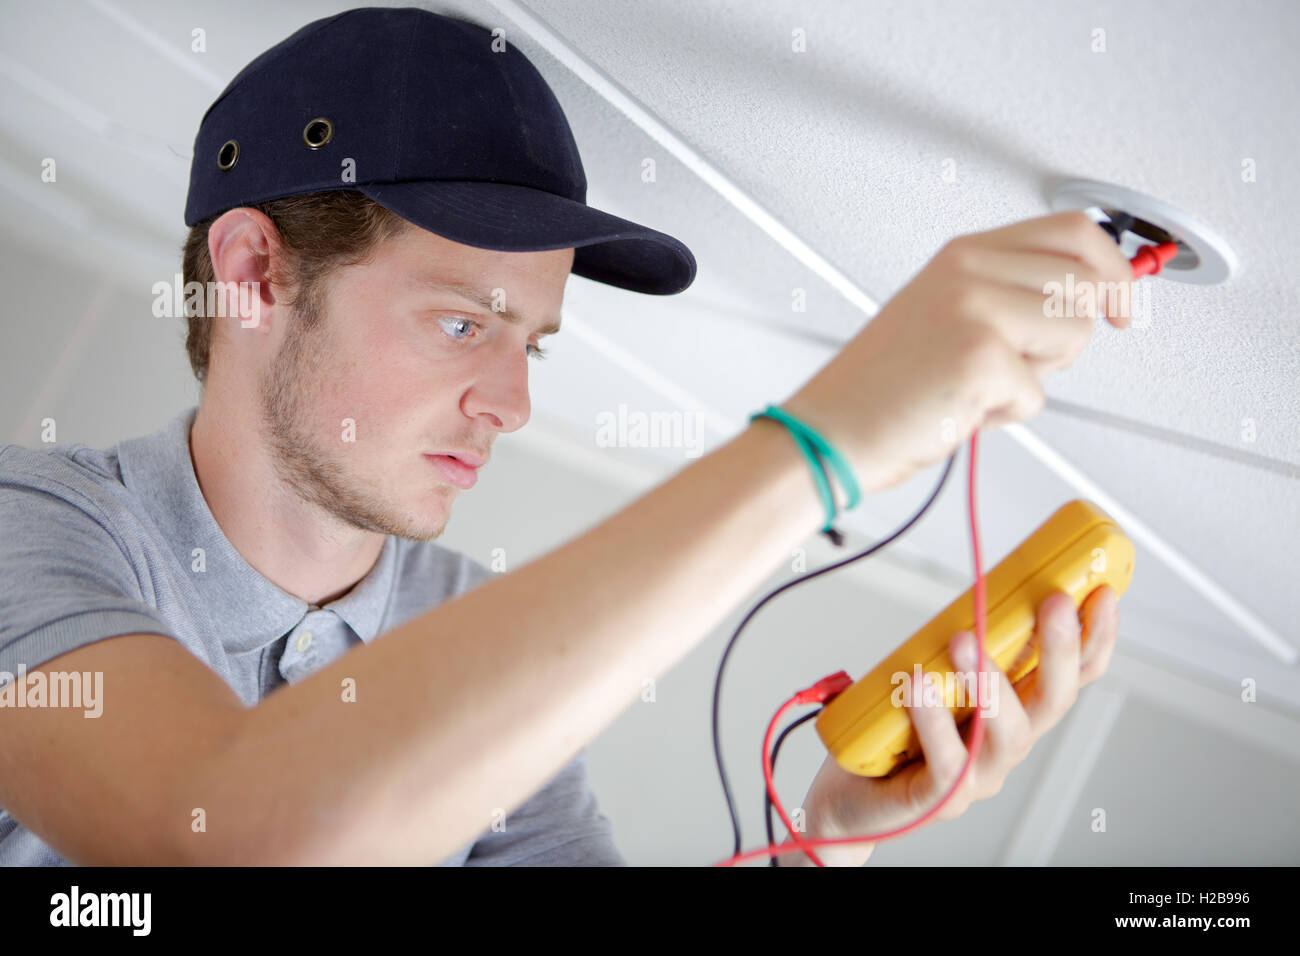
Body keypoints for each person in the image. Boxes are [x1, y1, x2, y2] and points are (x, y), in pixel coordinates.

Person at [0, 7, 1127, 866]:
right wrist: (817, 444)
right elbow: (226, 828)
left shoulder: (464, 631)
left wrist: (824, 835)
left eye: (529, 345)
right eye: (461, 322)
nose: (511, 403)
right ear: (255, 273)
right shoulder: (32, 529)